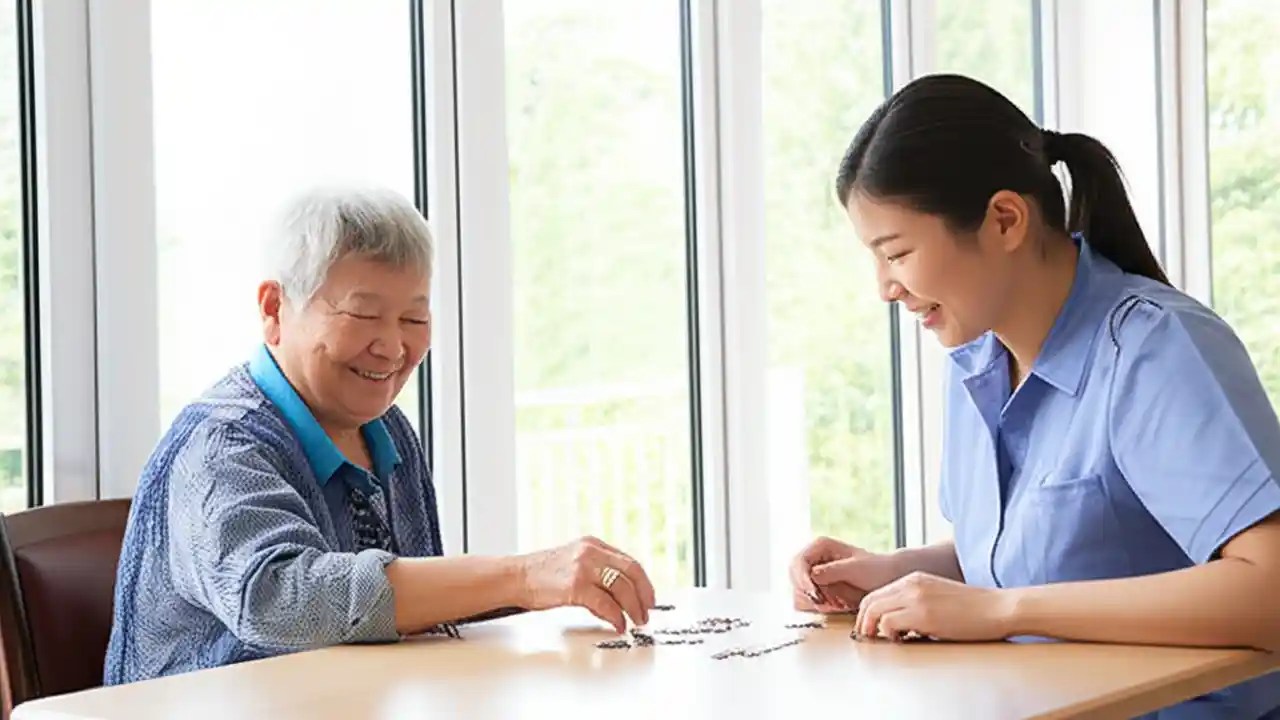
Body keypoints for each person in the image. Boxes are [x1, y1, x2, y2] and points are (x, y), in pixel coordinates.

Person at [789, 74, 1280, 718]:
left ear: (1004, 219)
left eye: (897, 252)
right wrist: (897, 572)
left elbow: (1270, 593)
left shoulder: (1155, 349)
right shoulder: (976, 360)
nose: (885, 287)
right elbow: (1053, 554)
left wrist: (998, 611)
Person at [105, 186, 655, 685]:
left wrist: (547, 588)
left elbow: (406, 615)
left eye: (413, 321)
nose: (392, 350)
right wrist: (523, 576)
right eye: (364, 316)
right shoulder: (220, 444)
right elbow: (277, 598)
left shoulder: (386, 428)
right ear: (275, 310)